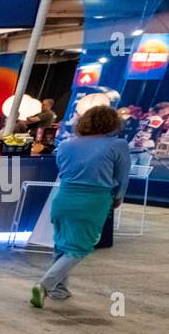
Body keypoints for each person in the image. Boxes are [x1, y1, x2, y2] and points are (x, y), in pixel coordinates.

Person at [30, 106, 129, 309]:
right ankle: (45, 285)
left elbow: (62, 169)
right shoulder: (118, 145)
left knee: (61, 243)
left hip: (63, 197)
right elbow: (122, 176)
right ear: (112, 123)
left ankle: (59, 289)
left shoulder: (66, 145)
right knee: (80, 247)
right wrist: (118, 198)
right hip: (94, 200)